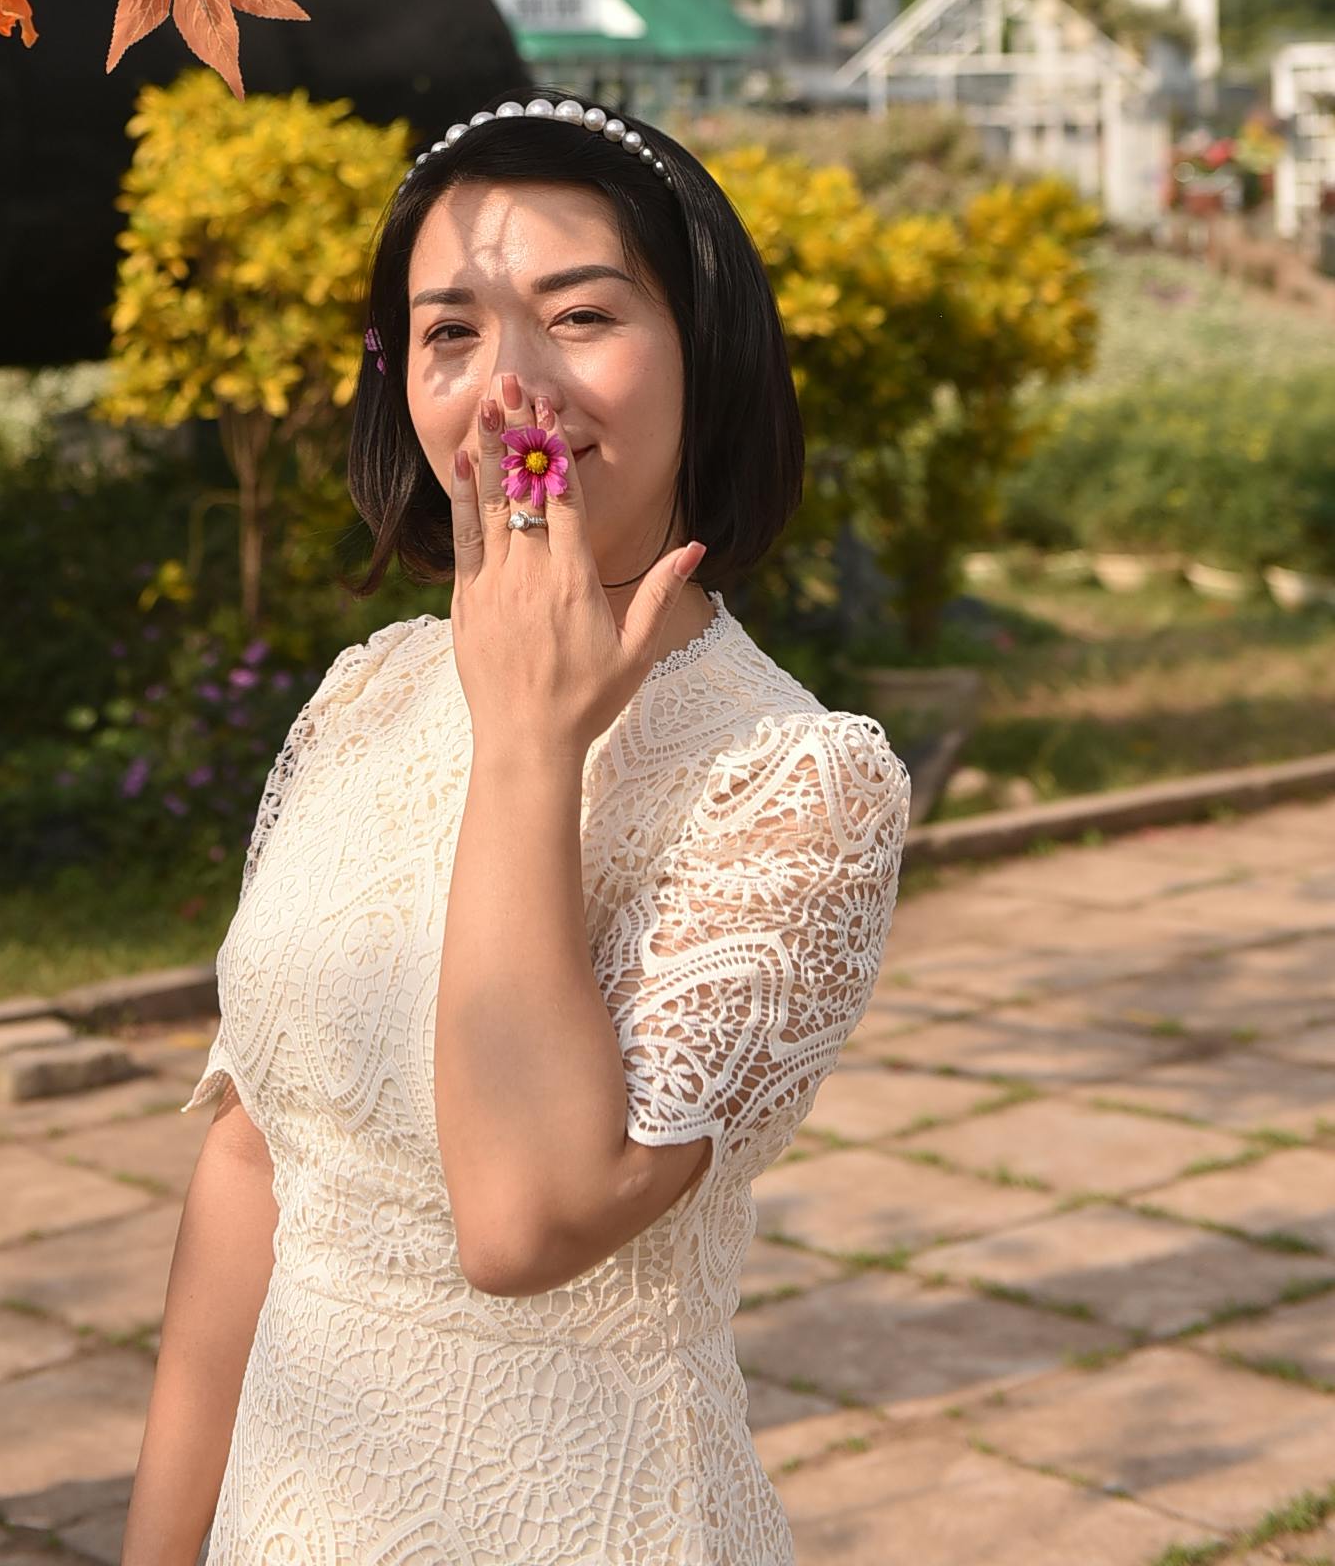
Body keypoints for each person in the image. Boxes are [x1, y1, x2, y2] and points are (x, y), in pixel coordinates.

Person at [121, 94, 910, 1566]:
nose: (514, 390)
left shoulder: (799, 783)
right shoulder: (363, 698)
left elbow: (524, 1223)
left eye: (582, 315)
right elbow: (252, 1161)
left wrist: (533, 742)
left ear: (707, 352)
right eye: (452, 332)